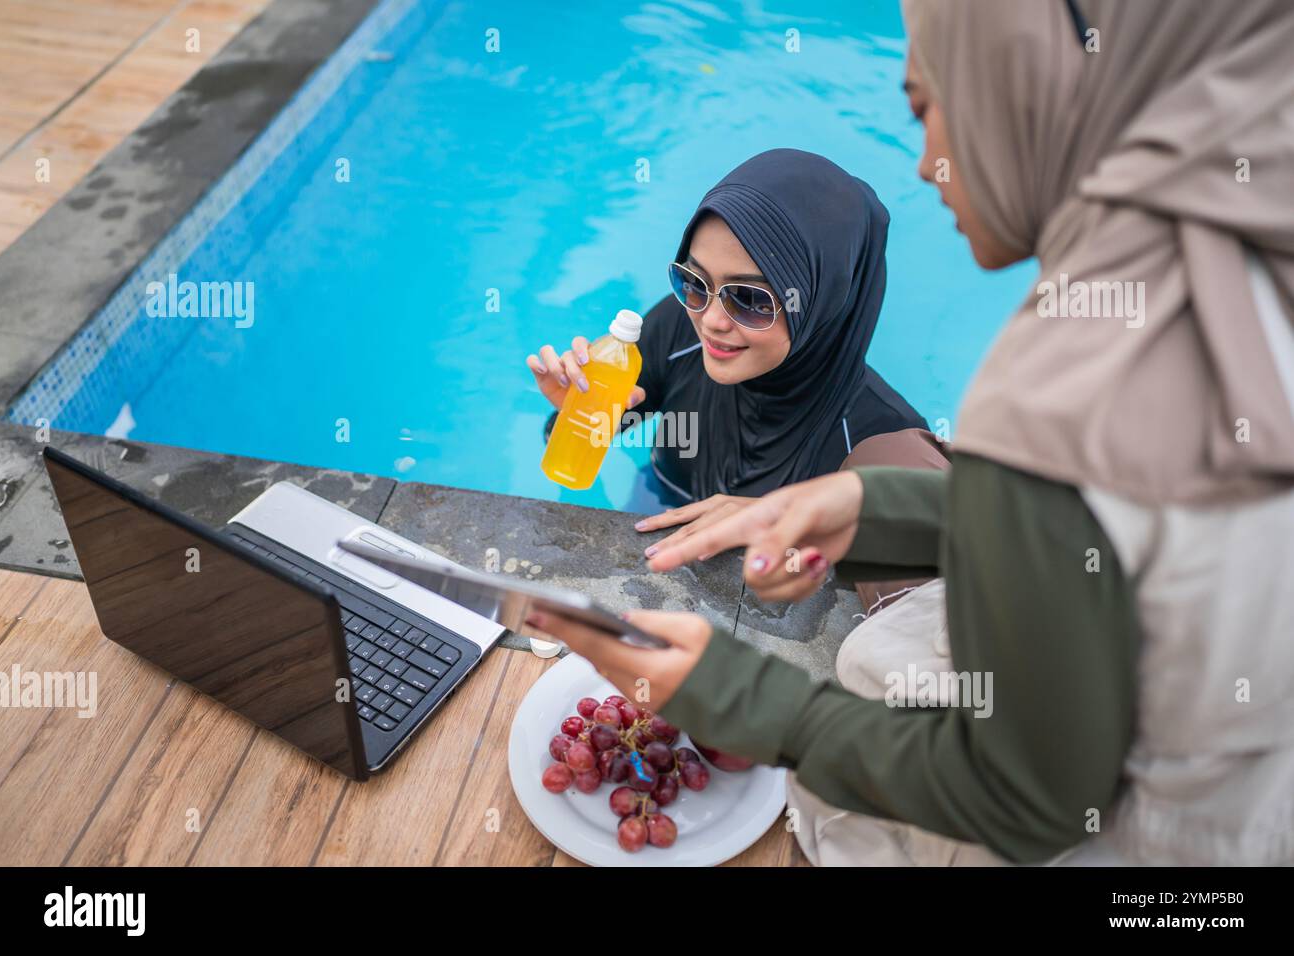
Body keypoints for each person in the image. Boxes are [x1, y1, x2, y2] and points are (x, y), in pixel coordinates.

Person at [529, 0, 1294, 865]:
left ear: (1032, 91)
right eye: (696, 285)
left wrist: (749, 702)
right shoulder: (1228, 278)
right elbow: (1103, 534)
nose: (929, 164)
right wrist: (863, 503)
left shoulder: (1064, 381)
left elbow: (1034, 796)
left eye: (935, 104)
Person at [526, 149, 926, 517]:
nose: (712, 321)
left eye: (750, 299)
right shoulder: (679, 329)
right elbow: (580, 454)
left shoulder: (884, 444)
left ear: (824, 301)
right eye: (694, 281)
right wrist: (574, 413)